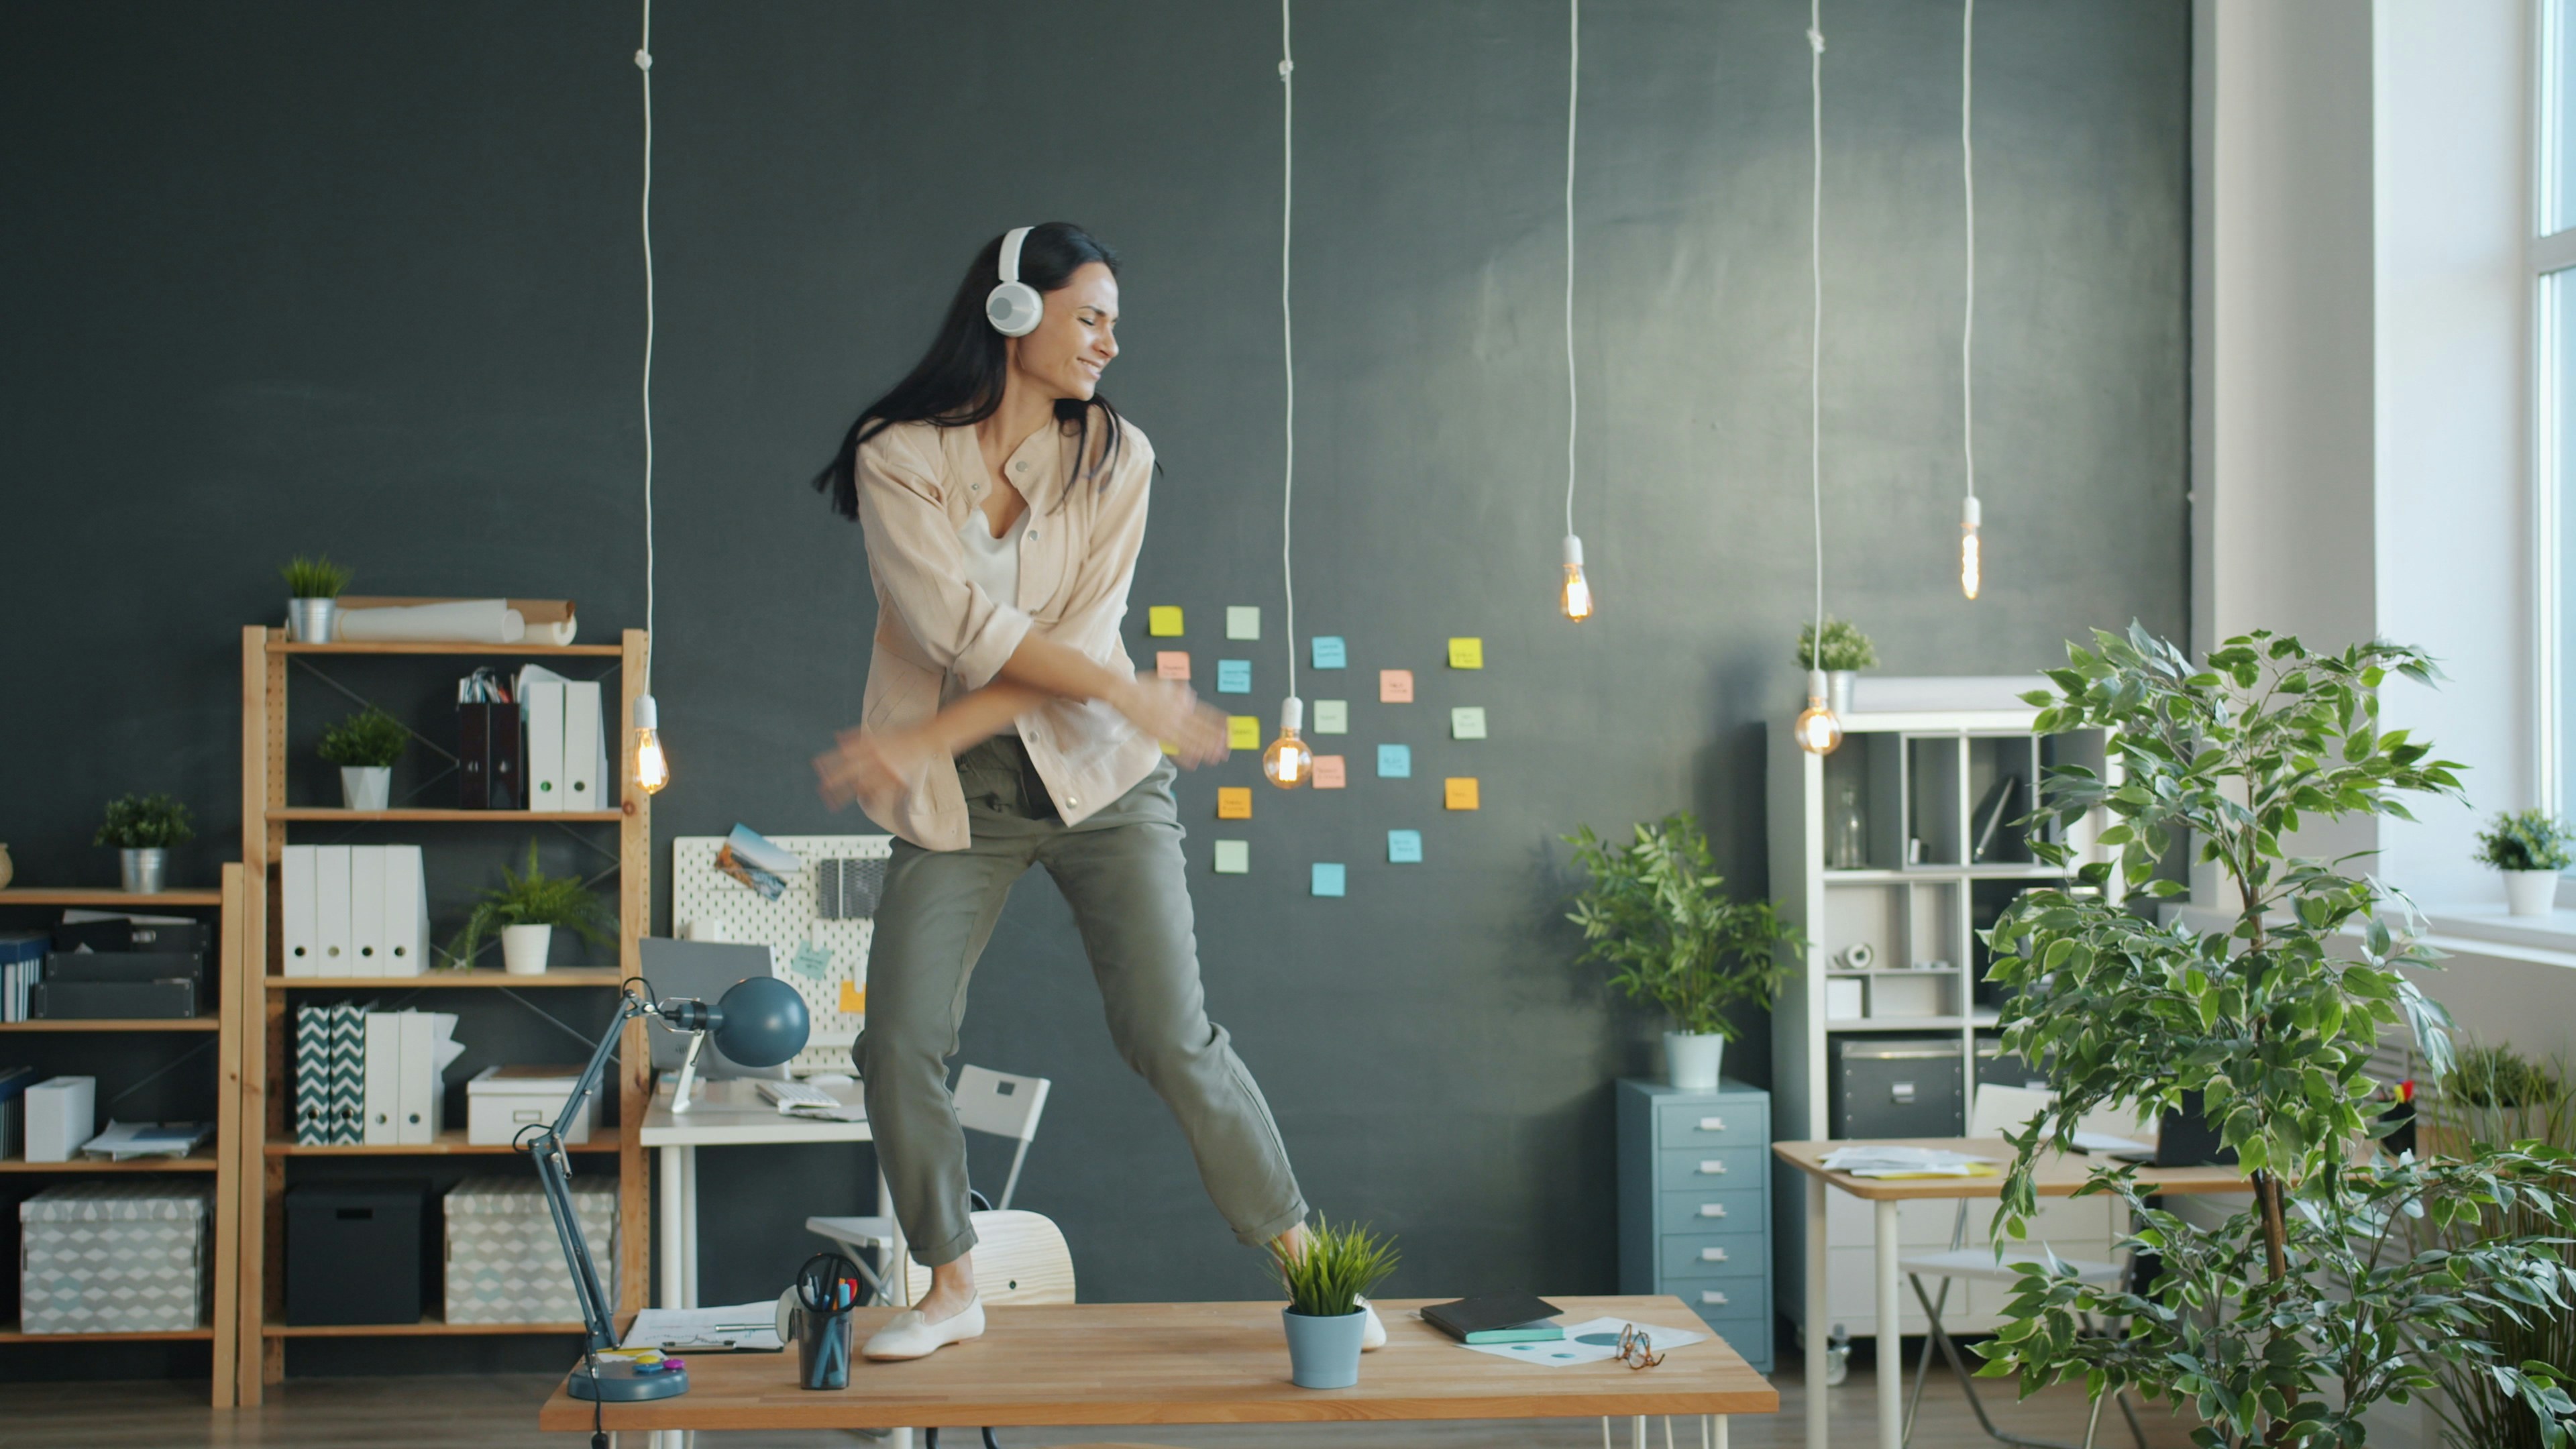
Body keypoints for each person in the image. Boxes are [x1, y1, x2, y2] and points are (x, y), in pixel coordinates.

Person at [811, 223, 1375, 1361]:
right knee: (898, 1043)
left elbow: (1069, 645)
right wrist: (1123, 690)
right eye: (1092, 317)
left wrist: (941, 731)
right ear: (1013, 311)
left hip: (1101, 778)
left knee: (1171, 1034)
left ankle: (1313, 1274)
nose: (1111, 343)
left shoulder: (1118, 456)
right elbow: (956, 628)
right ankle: (953, 1286)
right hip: (959, 799)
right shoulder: (897, 455)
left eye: (1116, 323)